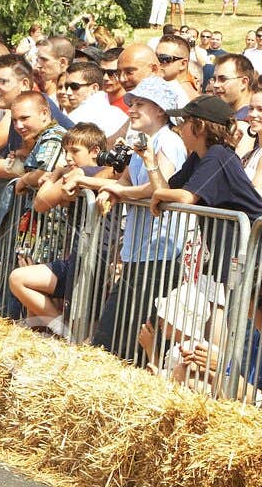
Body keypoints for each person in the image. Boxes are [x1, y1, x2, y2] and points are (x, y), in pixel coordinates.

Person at [71, 77, 187, 361]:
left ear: (160, 110)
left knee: (119, 339)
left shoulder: (169, 141)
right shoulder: (141, 143)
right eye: (131, 103)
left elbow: (158, 188)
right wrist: (102, 188)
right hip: (138, 253)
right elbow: (123, 181)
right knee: (116, 338)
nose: (131, 110)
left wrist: (119, 192)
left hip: (160, 255)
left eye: (140, 104)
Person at [8, 122, 110, 337]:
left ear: (95, 151)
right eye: (66, 152)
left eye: (75, 151)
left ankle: (65, 335)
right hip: (77, 257)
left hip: (92, 260)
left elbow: (41, 202)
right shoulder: (85, 173)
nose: (68, 158)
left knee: (83, 324)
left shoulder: (84, 173)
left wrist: (54, 174)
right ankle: (63, 333)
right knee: (19, 278)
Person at [154, 32, 200, 105]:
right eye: (155, 57)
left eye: (164, 58)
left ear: (183, 64)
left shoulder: (177, 96)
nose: (157, 63)